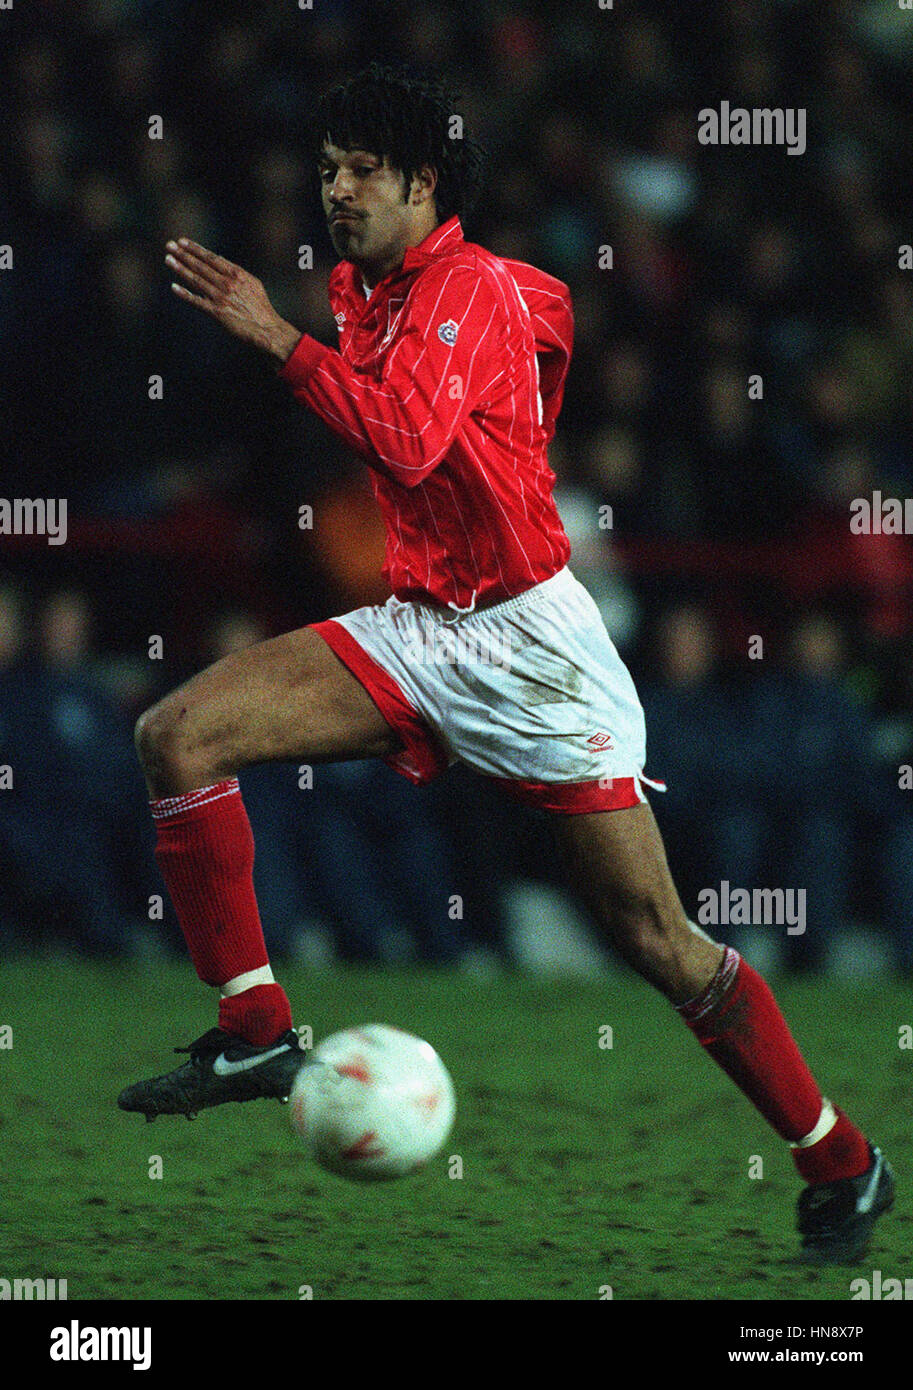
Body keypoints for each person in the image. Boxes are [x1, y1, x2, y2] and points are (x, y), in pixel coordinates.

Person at [118, 65, 892, 1265]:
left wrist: (280, 342)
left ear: (424, 182)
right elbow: (548, 321)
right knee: (177, 734)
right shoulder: (368, 284)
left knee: (656, 940)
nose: (335, 190)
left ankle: (840, 1154)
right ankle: (256, 1025)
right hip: (422, 622)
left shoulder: (465, 286)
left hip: (535, 652)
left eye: (360, 170)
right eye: (327, 170)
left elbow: (416, 443)